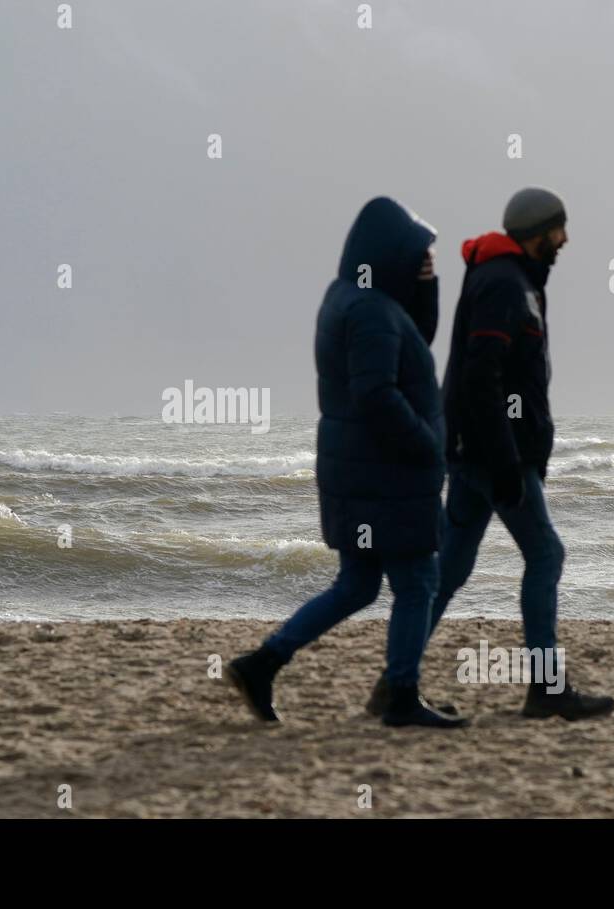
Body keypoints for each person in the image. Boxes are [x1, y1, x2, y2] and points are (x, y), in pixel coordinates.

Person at [369, 186, 614, 721]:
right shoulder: (504, 283)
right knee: (546, 555)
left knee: (451, 568)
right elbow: (481, 377)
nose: (565, 239)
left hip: (476, 451)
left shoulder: (514, 280)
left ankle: (393, 686)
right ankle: (546, 688)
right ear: (535, 233)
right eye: (558, 230)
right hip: (492, 454)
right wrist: (505, 460)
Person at [226, 197, 467, 729]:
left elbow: (415, 341)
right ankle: (401, 697)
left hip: (360, 473)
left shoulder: (358, 299)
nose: (424, 258)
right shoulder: (370, 311)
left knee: (357, 585)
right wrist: (426, 443)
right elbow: (377, 394)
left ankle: (262, 663)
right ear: (388, 253)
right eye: (417, 253)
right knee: (417, 583)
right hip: (387, 475)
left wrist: (426, 285)